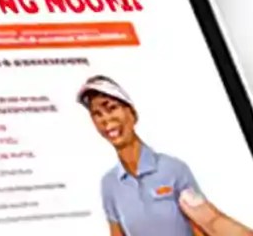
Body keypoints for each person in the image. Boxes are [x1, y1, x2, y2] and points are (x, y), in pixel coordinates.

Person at [79, 75, 206, 236]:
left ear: (132, 113)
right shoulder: (109, 184)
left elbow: (202, 228)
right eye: (97, 114)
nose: (106, 119)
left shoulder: (174, 170)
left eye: (111, 108)